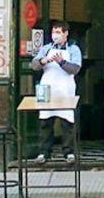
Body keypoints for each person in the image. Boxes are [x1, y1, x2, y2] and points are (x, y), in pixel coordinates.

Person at [31, 21, 82, 164]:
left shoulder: (73, 49)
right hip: (48, 89)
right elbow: (34, 65)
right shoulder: (46, 48)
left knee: (67, 122)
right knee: (45, 122)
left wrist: (62, 62)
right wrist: (43, 61)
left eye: (58, 32)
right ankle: (44, 152)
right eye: (54, 32)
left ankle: (69, 152)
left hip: (65, 90)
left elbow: (75, 69)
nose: (55, 35)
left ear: (66, 33)